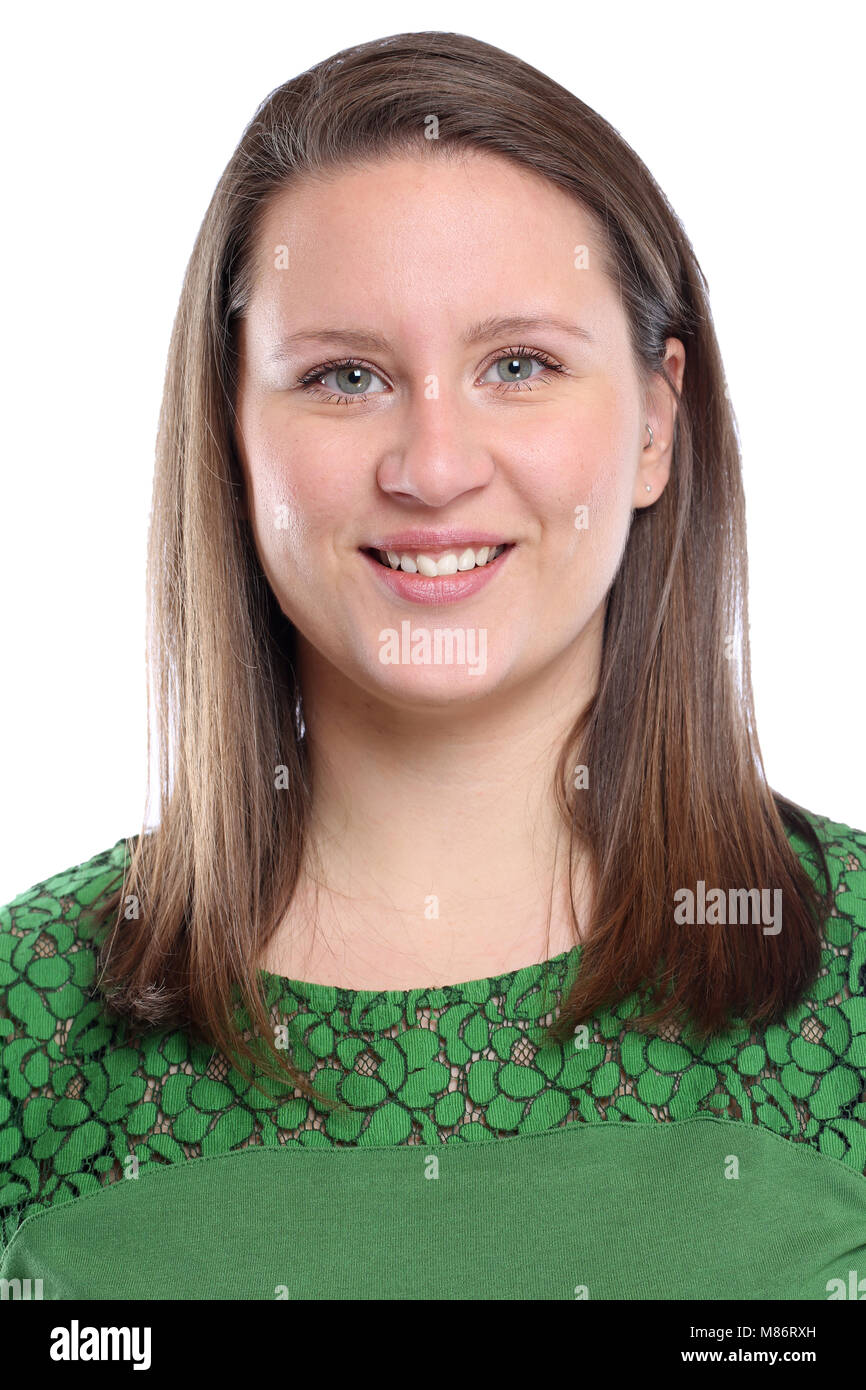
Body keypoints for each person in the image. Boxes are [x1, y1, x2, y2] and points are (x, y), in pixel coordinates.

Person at [1, 30, 864, 1302]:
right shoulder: (25, 1022)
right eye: (345, 376)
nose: (433, 465)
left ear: (653, 425)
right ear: (232, 439)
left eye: (517, 365)